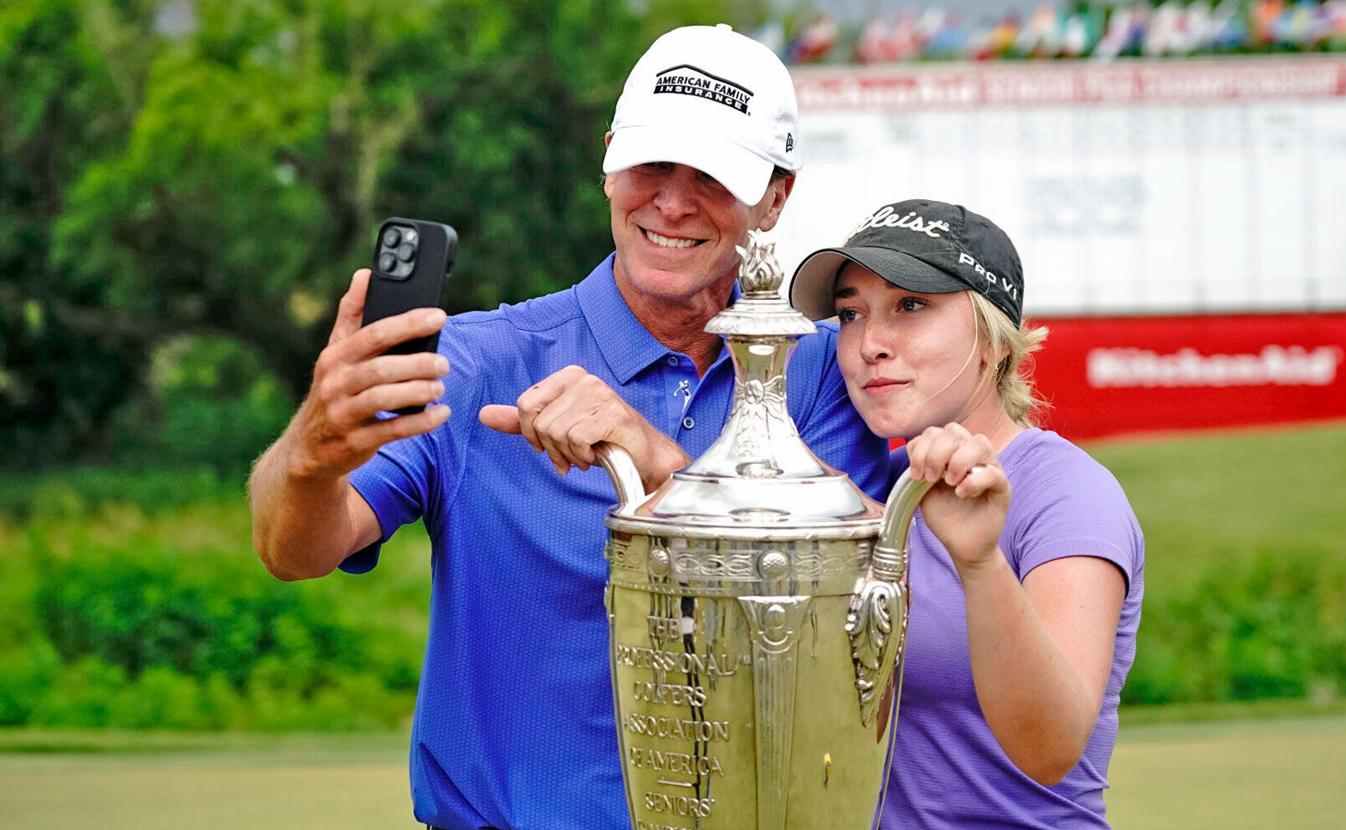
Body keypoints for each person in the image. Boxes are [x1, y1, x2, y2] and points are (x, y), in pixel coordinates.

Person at [247, 25, 888, 830]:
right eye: (653, 163)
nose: (674, 201)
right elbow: (294, 549)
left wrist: (654, 459)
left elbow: (870, 607)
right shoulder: (480, 359)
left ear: (776, 197)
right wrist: (311, 451)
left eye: (715, 176)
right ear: (610, 158)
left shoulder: (832, 373)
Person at [788, 199, 1145, 829]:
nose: (870, 344)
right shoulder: (890, 486)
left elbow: (1051, 748)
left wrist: (979, 562)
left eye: (911, 306)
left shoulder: (1067, 494)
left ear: (991, 338)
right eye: (850, 314)